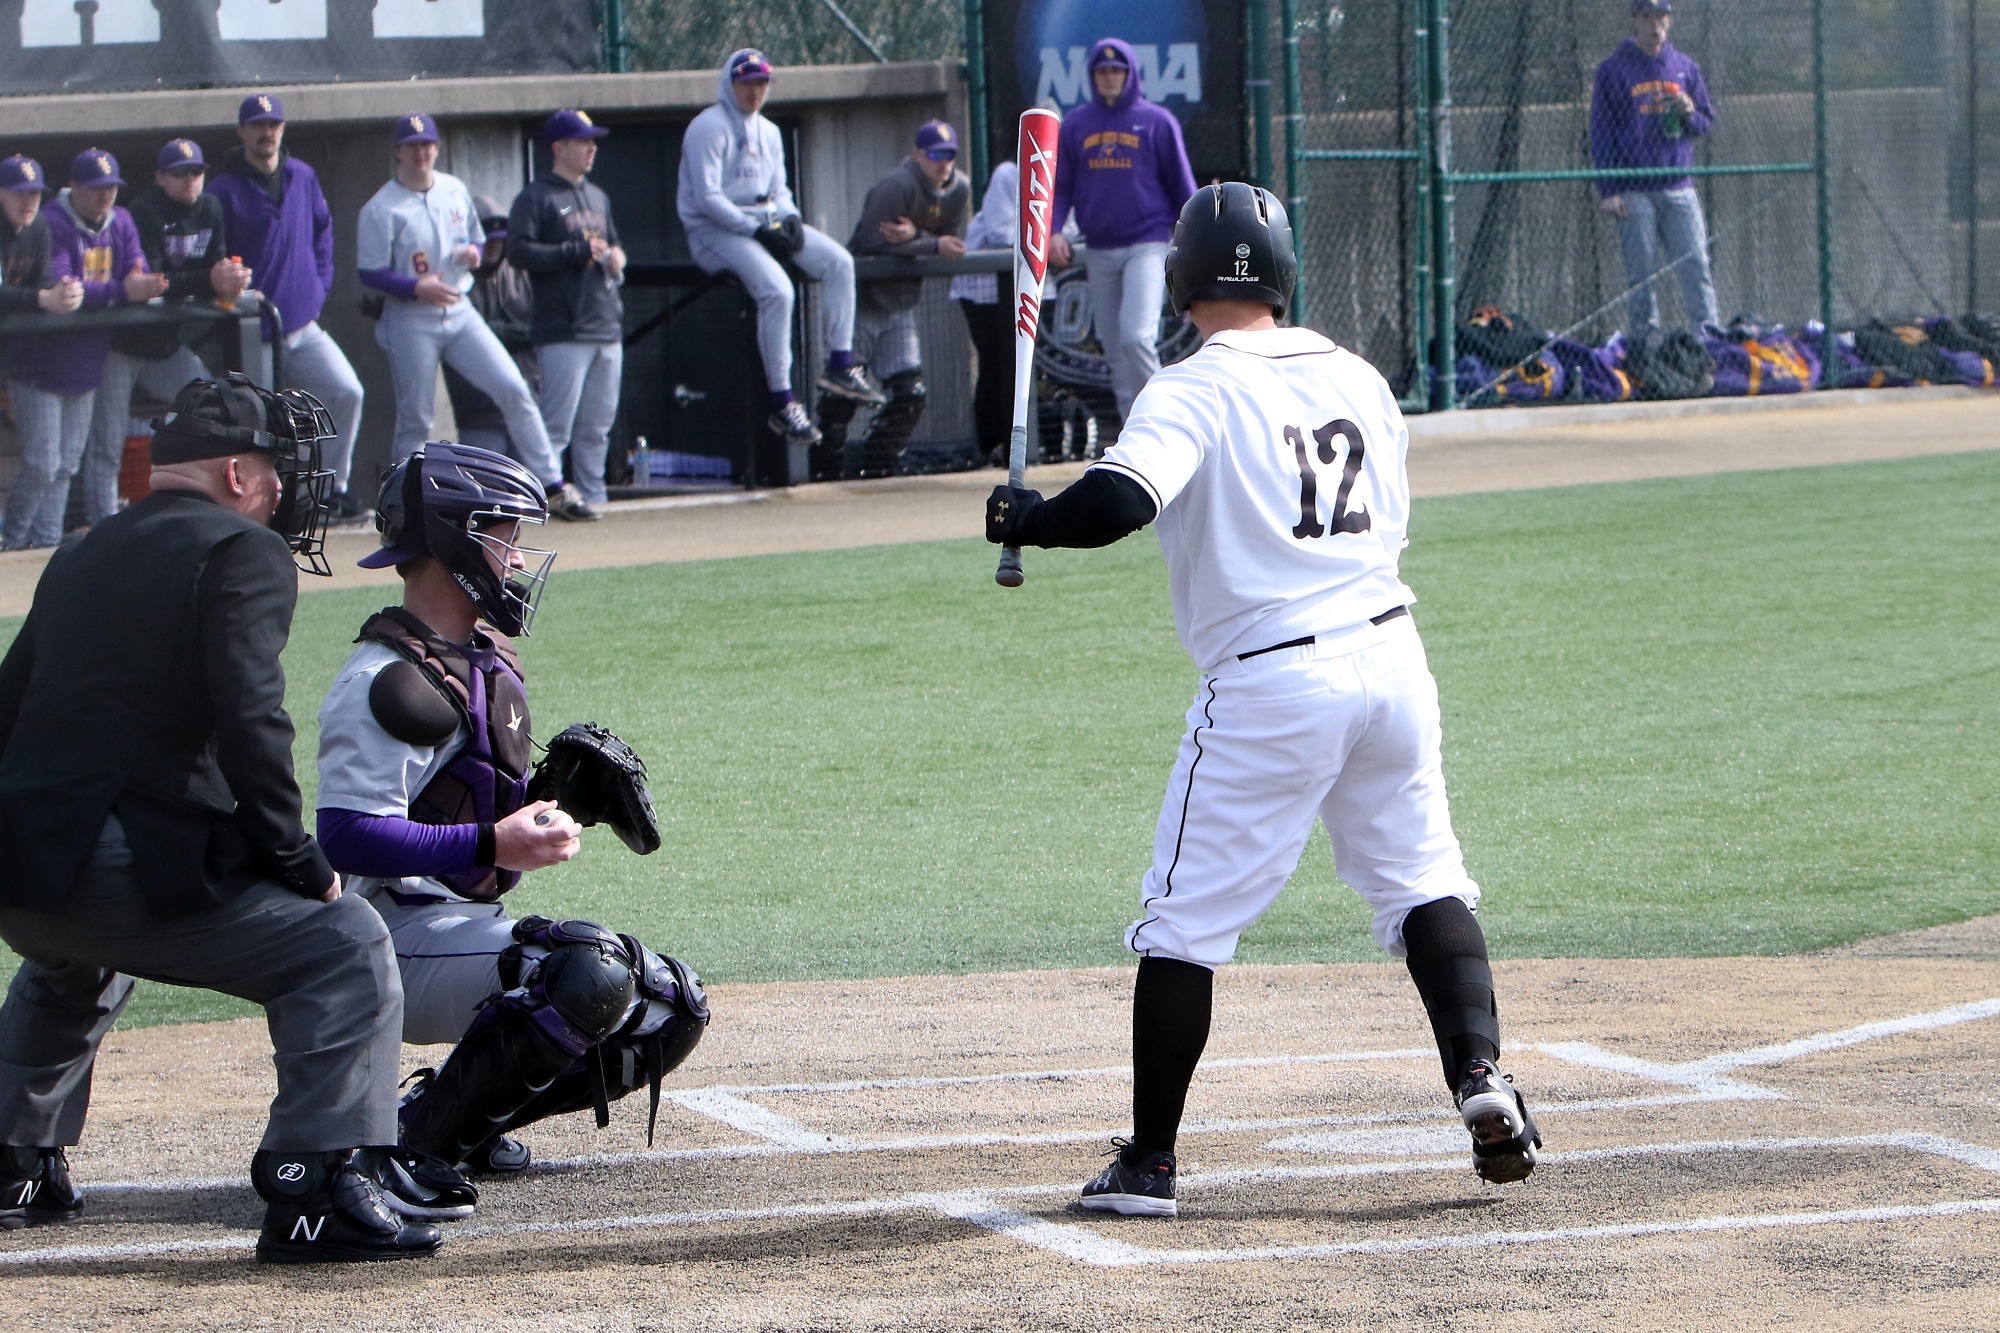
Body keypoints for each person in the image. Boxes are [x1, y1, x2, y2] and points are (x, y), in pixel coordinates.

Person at [985, 184, 1541, 1218]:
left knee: (1181, 924)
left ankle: (1148, 1162)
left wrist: (1031, 517)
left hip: (1274, 679)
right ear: (1281, 274)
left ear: (1186, 275)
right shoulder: (1359, 378)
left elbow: (1120, 501)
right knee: (1421, 880)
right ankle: (1481, 1078)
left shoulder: (1191, 387)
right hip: (1391, 658)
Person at [0, 374, 441, 1262]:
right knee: (346, 943)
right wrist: (295, 855)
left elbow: (8, 703)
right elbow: (253, 719)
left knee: (74, 961)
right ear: (239, 474)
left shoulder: (82, 548)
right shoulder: (244, 550)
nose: (286, 487)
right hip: (116, 867)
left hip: (20, 874)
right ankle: (316, 1186)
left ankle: (12, 1152)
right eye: (277, 469)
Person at [315, 439, 709, 1179]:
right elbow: (345, 836)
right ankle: (411, 1153)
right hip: (383, 938)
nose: (519, 560)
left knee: (670, 1007)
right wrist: (491, 842)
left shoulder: (480, 659)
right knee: (587, 971)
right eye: (505, 538)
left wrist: (556, 802)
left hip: (458, 930)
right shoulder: (387, 680)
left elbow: (462, 796)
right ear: (455, 540)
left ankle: (453, 1120)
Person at [359, 115, 591, 521]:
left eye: (426, 144)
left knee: (513, 388)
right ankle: (399, 505)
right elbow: (370, 271)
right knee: (417, 415)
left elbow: (477, 240)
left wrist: (475, 253)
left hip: (459, 308)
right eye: (412, 145)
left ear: (436, 148)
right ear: (398, 151)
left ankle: (553, 485)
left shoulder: (453, 188)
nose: (420, 152)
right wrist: (415, 287)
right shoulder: (382, 206)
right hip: (412, 314)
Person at [676, 50, 887, 448]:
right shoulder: (708, 127)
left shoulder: (769, 131)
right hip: (713, 232)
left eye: (762, 82)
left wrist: (788, 218)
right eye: (747, 81)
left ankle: (840, 362)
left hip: (763, 221)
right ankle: (782, 401)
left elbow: (780, 191)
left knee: (839, 262)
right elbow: (707, 199)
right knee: (779, 290)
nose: (755, 89)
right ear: (730, 83)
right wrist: (756, 230)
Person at [209, 92, 370, 520]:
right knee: (258, 421)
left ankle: (330, 491)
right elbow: (214, 257)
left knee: (346, 390)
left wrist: (319, 288)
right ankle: (261, 503)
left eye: (273, 124)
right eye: (258, 124)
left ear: (282, 129)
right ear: (242, 131)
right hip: (254, 330)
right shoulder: (223, 189)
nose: (266, 132)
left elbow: (323, 234)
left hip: (302, 325)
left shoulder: (302, 175)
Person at [6, 149, 167, 551]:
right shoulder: (49, 224)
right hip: (37, 365)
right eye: (96, 188)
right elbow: (58, 286)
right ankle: (12, 541)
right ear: (74, 187)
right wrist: (115, 291)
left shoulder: (114, 221)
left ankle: (44, 545)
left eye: (111, 187)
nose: (105, 195)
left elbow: (133, 274)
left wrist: (133, 288)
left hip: (87, 362)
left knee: (64, 467)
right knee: (43, 464)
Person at [86, 139, 249, 531]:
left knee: (210, 409)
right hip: (122, 346)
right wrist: (208, 280)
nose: (189, 179)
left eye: (195, 171)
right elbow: (155, 279)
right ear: (160, 177)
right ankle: (102, 526)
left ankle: (210, 506)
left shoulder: (210, 206)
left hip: (167, 346)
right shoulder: (143, 211)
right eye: (179, 172)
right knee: (107, 444)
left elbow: (216, 265)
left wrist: (228, 280)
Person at [1046, 39, 1197, 421]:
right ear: (1092, 76)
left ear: (1130, 74)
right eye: (1101, 71)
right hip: (1098, 248)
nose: (1109, 77)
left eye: (1116, 71)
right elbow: (1061, 185)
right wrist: (1054, 230)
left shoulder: (1157, 122)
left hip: (1147, 243)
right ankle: (1133, 430)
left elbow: (1183, 188)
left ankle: (1164, 421)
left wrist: (1195, 244)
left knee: (1136, 337)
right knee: (1113, 346)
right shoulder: (1077, 123)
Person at [819, 120, 970, 481]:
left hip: (902, 302)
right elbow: (873, 243)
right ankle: (823, 472)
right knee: (842, 397)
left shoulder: (959, 188)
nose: (942, 163)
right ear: (917, 154)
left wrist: (915, 235)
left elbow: (951, 243)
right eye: (934, 154)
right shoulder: (896, 186)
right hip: (864, 302)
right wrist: (930, 242)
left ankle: (878, 468)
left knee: (909, 396)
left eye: (949, 155)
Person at [507, 109, 634, 519]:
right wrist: (574, 251)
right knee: (556, 426)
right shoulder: (536, 196)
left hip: (604, 322)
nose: (592, 148)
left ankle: (593, 496)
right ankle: (535, 501)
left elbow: (614, 243)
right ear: (559, 147)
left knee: (598, 425)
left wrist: (616, 257)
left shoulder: (598, 196)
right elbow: (519, 251)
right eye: (584, 141)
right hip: (563, 326)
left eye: (593, 141)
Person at [1591, 0, 1720, 333]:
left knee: (1696, 265)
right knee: (1641, 274)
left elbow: (1705, 125)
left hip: (1678, 187)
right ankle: (1645, 345)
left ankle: (1707, 339)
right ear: (1635, 20)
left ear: (1670, 20)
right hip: (1634, 189)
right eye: (1647, 16)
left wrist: (1688, 112)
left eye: (1662, 16)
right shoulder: (1613, 70)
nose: (1655, 24)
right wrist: (1609, 191)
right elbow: (1601, 134)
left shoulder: (1684, 67)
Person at [0, 155, 83, 546]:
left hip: (19, 356)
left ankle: (20, 541)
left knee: (51, 465)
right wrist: (42, 297)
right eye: (20, 193)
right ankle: (13, 540)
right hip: (14, 355)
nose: (28, 201)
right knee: (44, 464)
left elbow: (46, 282)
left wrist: (62, 292)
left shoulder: (39, 228)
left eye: (34, 193)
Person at [442, 194, 537, 459]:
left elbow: (542, 324)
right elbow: (454, 330)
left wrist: (525, 334)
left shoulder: (521, 274)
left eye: (500, 240)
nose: (495, 247)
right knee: (486, 488)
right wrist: (508, 334)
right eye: (488, 241)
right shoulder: (456, 280)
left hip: (528, 406)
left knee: (529, 490)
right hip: (478, 412)